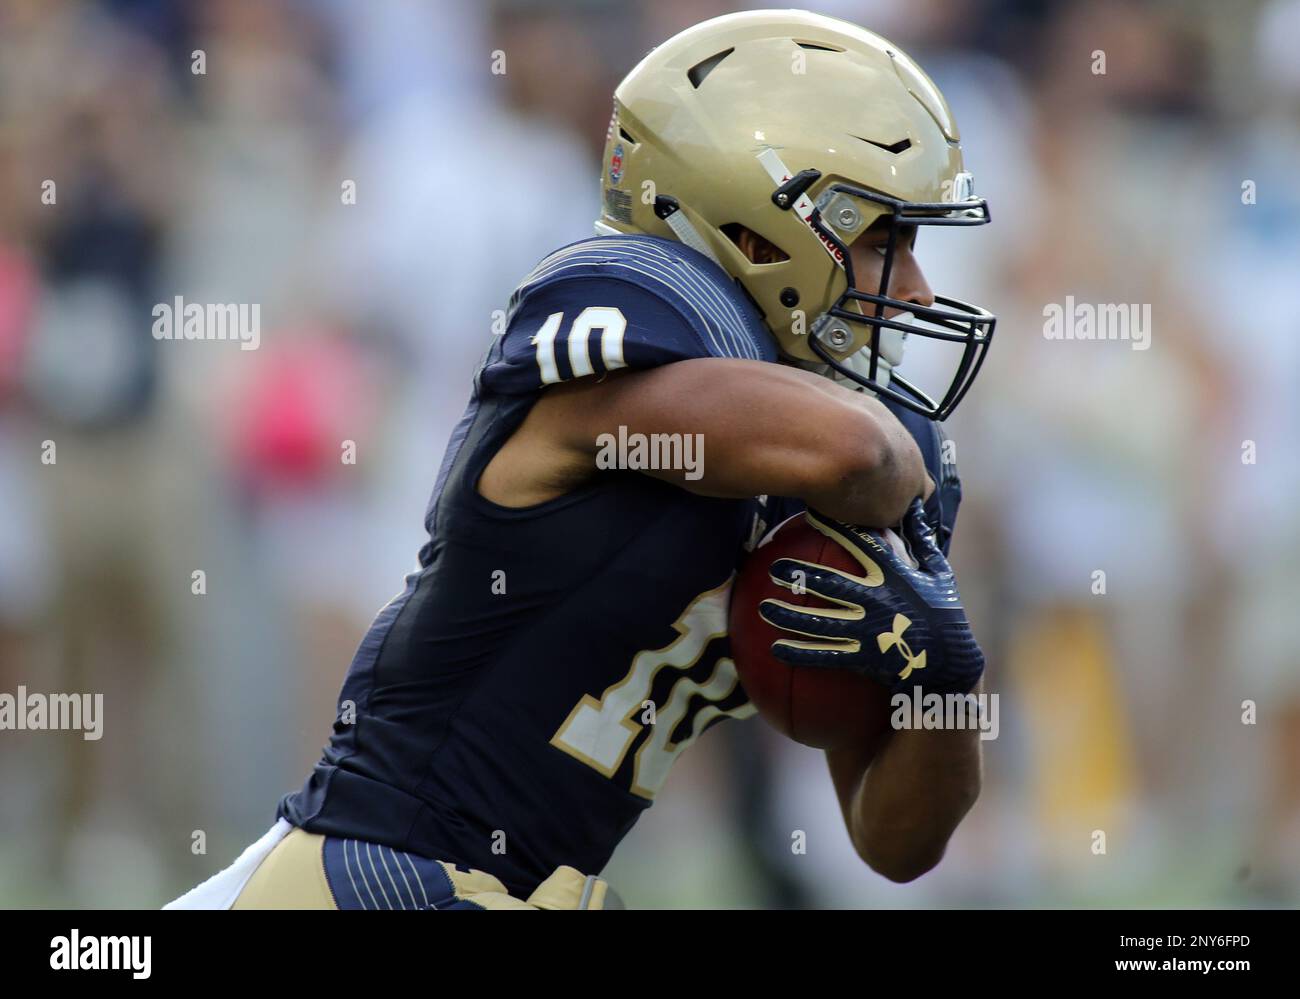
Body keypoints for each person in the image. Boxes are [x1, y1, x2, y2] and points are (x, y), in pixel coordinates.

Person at [166, 8, 995, 910]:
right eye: (882, 238)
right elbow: (856, 449)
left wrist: (946, 680)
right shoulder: (642, 307)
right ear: (758, 232)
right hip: (372, 871)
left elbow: (896, 841)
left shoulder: (856, 455)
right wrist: (902, 485)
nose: (915, 288)